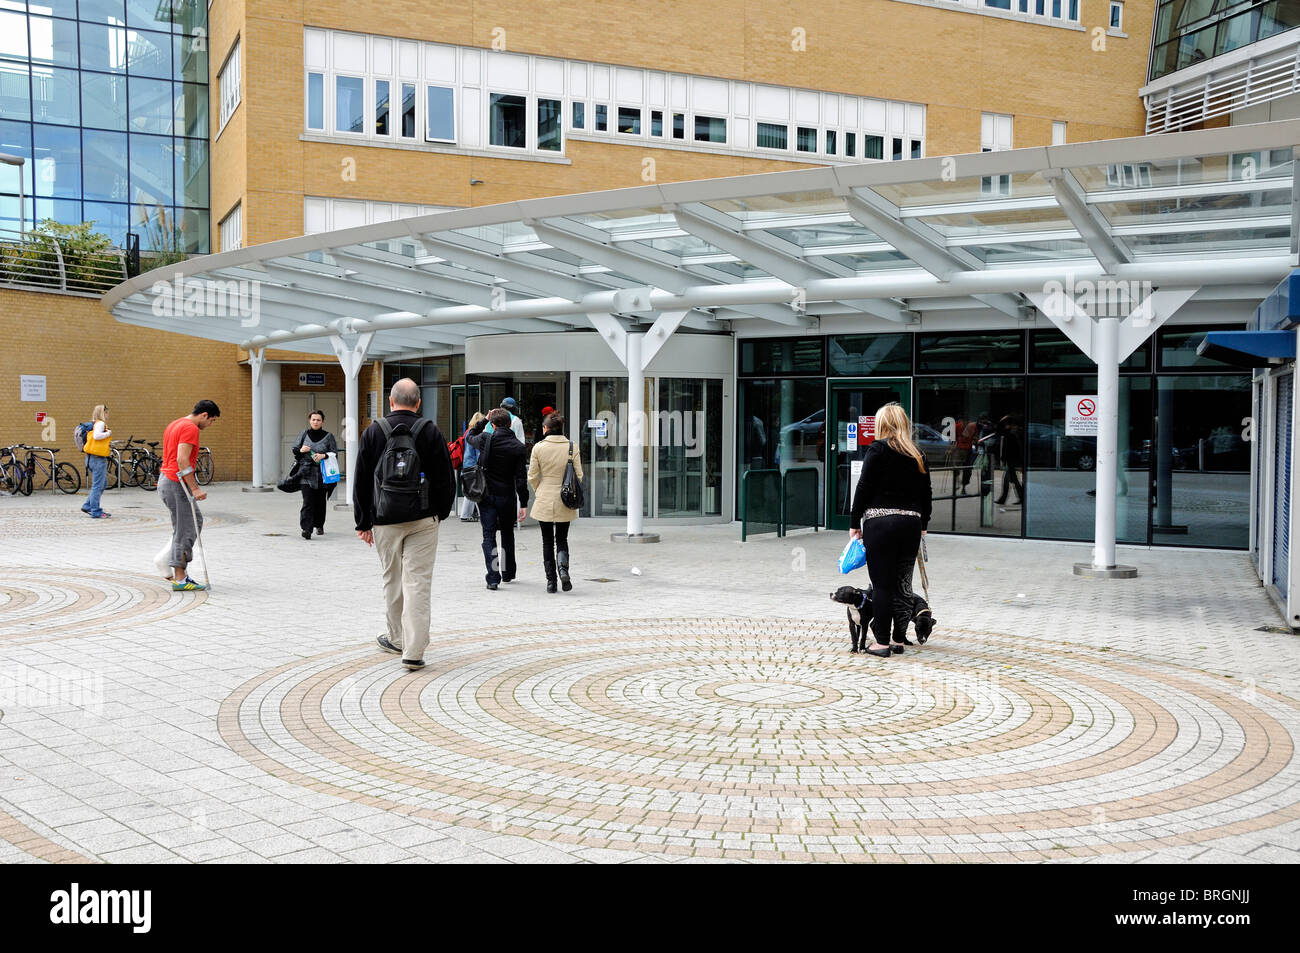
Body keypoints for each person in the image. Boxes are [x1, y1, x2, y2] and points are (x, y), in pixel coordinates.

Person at [353, 379, 455, 671]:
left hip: (384, 520)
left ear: (390, 401)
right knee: (418, 583)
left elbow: (360, 480)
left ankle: (396, 638)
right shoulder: (430, 431)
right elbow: (446, 478)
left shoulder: (374, 431)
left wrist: (363, 522)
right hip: (424, 519)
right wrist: (440, 513)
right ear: (418, 403)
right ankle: (413, 650)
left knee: (393, 579)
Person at [848, 402, 932, 659]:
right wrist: (924, 524)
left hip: (881, 524)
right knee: (903, 584)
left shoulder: (877, 450)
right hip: (910, 525)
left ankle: (881, 643)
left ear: (882, 425)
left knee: (882, 585)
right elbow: (926, 493)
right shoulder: (917, 453)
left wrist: (854, 523)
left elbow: (863, 488)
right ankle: (898, 639)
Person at [156, 400, 220, 591]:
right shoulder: (190, 428)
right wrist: (195, 488)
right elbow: (182, 459)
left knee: (189, 524)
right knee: (187, 527)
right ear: (204, 415)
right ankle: (180, 577)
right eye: (212, 421)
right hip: (176, 483)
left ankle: (170, 563)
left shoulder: (175, 424)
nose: (210, 425)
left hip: (167, 480)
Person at [467, 407, 528, 590]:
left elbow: (470, 435)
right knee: (508, 534)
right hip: (507, 496)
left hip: (486, 496)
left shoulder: (487, 439)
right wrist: (523, 503)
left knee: (489, 535)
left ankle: (493, 577)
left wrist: (483, 420)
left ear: (493, 425)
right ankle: (508, 572)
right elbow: (520, 478)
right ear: (510, 424)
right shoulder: (518, 447)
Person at [528, 412, 584, 593]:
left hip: (545, 496)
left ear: (545, 429)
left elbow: (533, 476)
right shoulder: (571, 446)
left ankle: (551, 582)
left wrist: (540, 490)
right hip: (565, 498)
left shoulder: (538, 447)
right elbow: (579, 475)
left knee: (546, 541)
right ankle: (563, 570)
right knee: (562, 538)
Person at [292, 409, 338, 540]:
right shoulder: (303, 434)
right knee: (308, 501)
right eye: (313, 419)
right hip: (305, 473)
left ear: (322, 421)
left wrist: (323, 455)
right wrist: (301, 450)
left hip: (322, 474)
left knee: (320, 501)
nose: (316, 422)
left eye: (318, 420)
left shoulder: (329, 436)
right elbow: (295, 450)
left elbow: (334, 453)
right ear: (309, 421)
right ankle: (306, 528)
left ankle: (319, 524)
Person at [81, 404, 113, 519]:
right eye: (107, 412)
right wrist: (108, 433)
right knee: (98, 485)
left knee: (102, 484)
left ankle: (87, 505)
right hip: (97, 458)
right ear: (103, 413)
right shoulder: (100, 424)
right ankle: (95, 511)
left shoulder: (94, 424)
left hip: (91, 457)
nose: (108, 415)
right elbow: (97, 436)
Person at [458, 411, 486, 521]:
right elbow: (478, 452)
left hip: (466, 464)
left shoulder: (467, 433)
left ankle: (467, 514)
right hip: (473, 464)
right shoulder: (477, 434)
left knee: (470, 489)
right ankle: (469, 515)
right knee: (477, 489)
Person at [996, 417, 1024, 506]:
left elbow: (1014, 449)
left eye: (1007, 424)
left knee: (1009, 480)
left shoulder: (1012, 434)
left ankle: (1004, 499)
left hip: (1011, 460)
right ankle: (1021, 497)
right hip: (1011, 460)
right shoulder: (1011, 433)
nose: (1005, 426)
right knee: (1012, 480)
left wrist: (1004, 458)